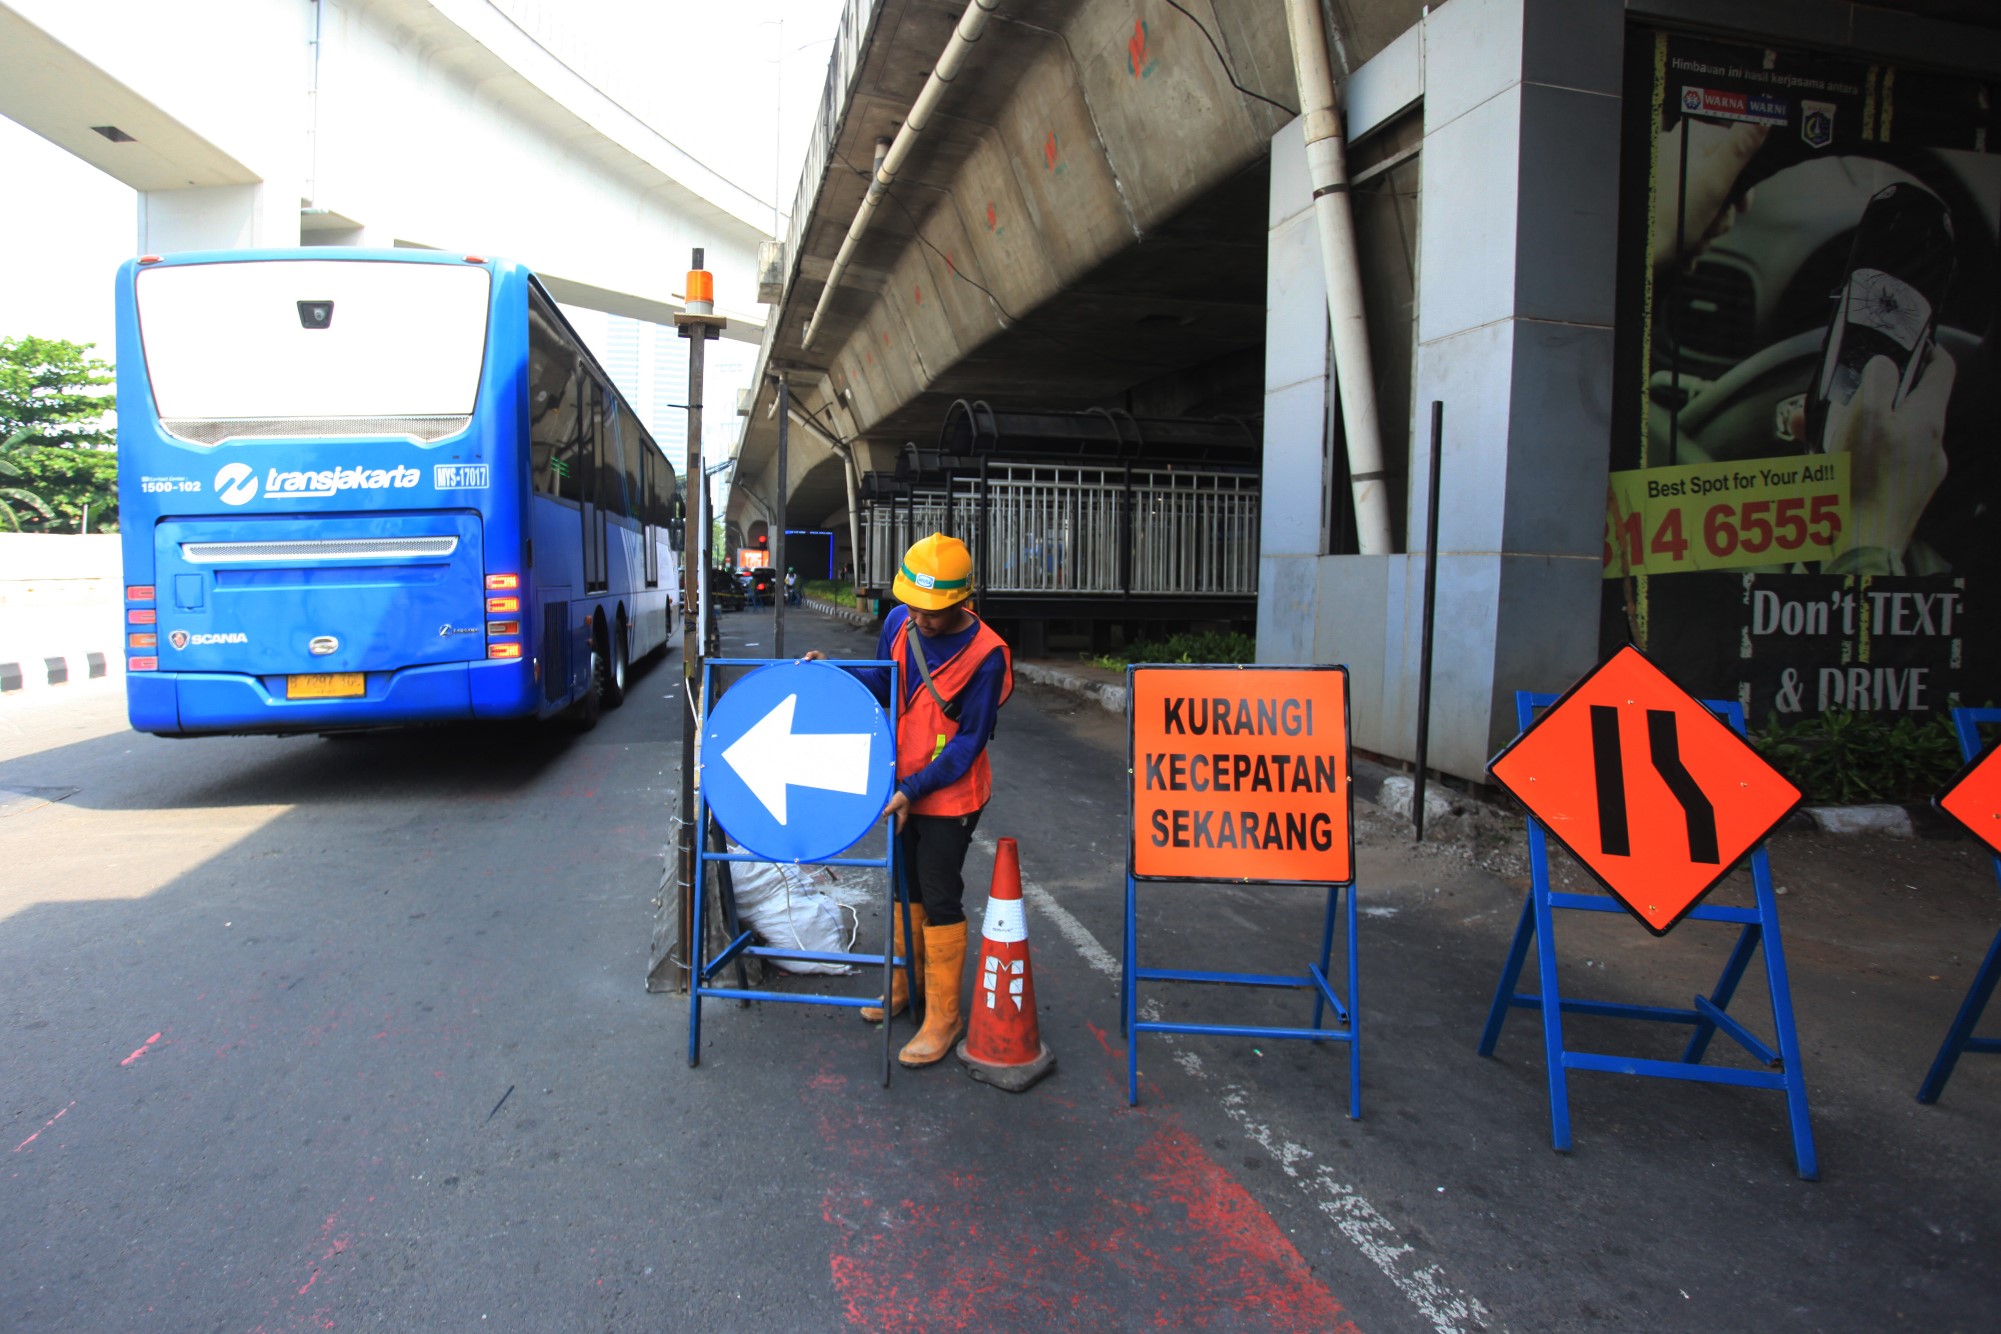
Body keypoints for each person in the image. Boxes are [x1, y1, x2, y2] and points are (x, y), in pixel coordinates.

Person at [803, 533, 1013, 1067]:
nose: (921, 618)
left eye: (934, 611)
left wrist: (911, 790)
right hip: (902, 787)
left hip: (949, 795)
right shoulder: (901, 623)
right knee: (903, 885)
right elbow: (884, 682)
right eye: (914, 606)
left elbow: (968, 743)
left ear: (964, 601)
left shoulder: (988, 656)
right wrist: (836, 672)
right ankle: (905, 988)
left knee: (938, 891)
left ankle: (943, 1017)